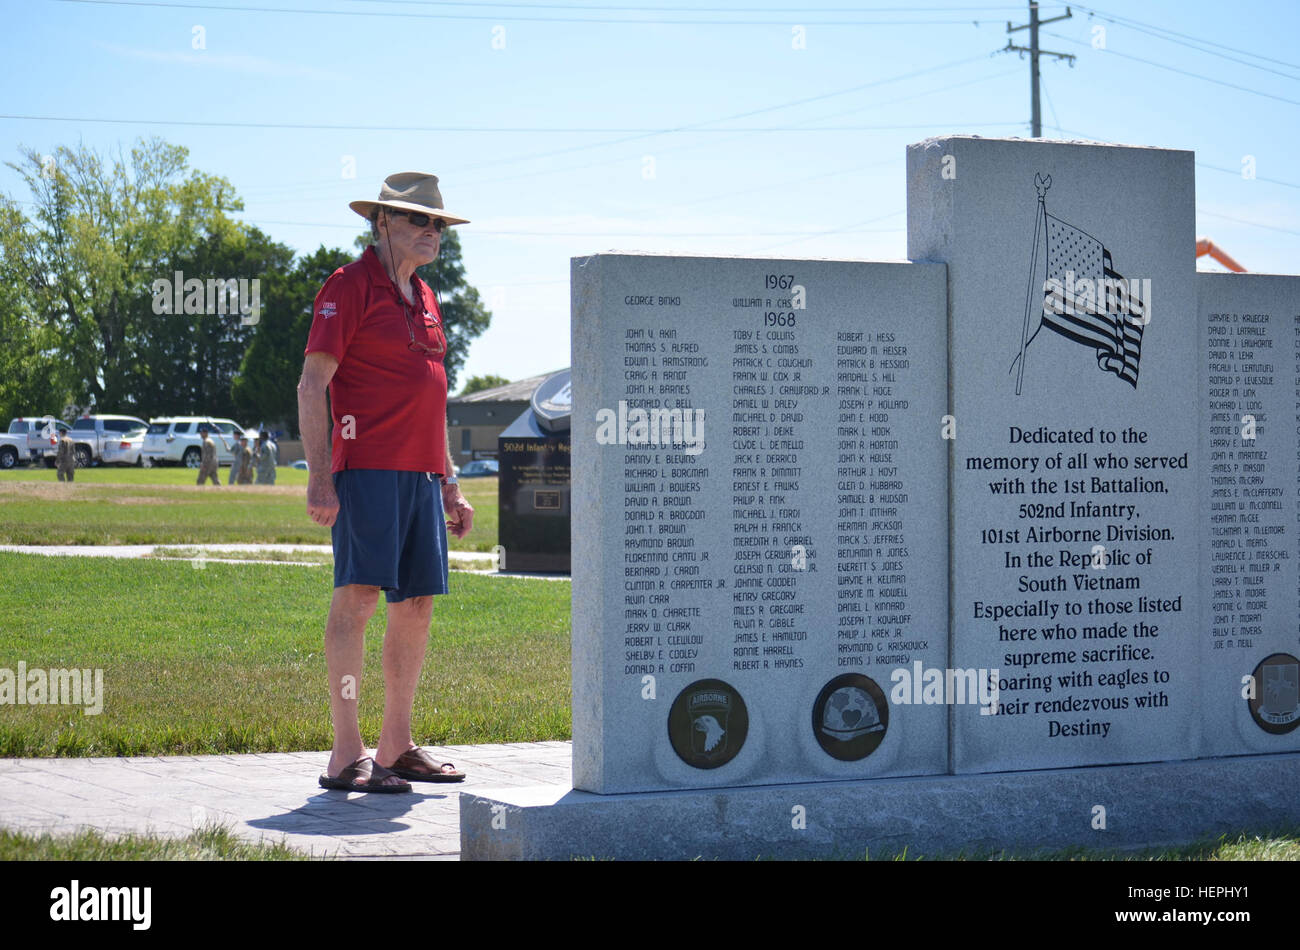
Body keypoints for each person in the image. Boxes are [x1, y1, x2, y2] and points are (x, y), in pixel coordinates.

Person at [298, 171, 475, 793]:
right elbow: (312, 384)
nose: (431, 231)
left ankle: (395, 746)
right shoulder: (347, 287)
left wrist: (450, 482)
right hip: (366, 471)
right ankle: (347, 755)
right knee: (360, 598)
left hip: (423, 479)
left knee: (418, 605)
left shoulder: (427, 297)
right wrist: (321, 477)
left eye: (437, 223)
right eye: (416, 220)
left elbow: (435, 401)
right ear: (382, 222)